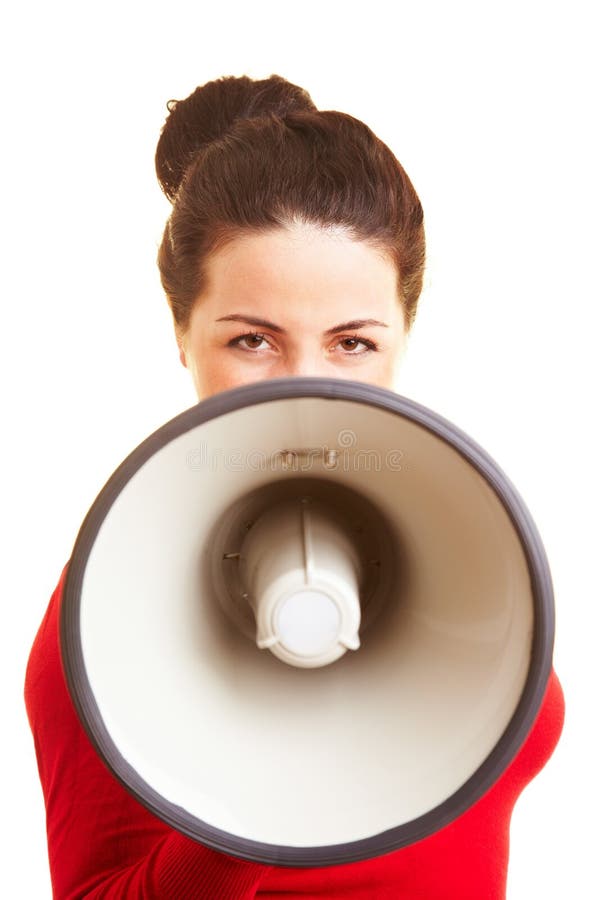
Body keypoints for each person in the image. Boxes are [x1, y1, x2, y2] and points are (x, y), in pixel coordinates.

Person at [25, 73, 564, 899]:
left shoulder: (473, 532)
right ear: (182, 332)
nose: (305, 388)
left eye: (352, 343)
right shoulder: (106, 615)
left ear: (404, 334)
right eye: (253, 340)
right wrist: (261, 812)